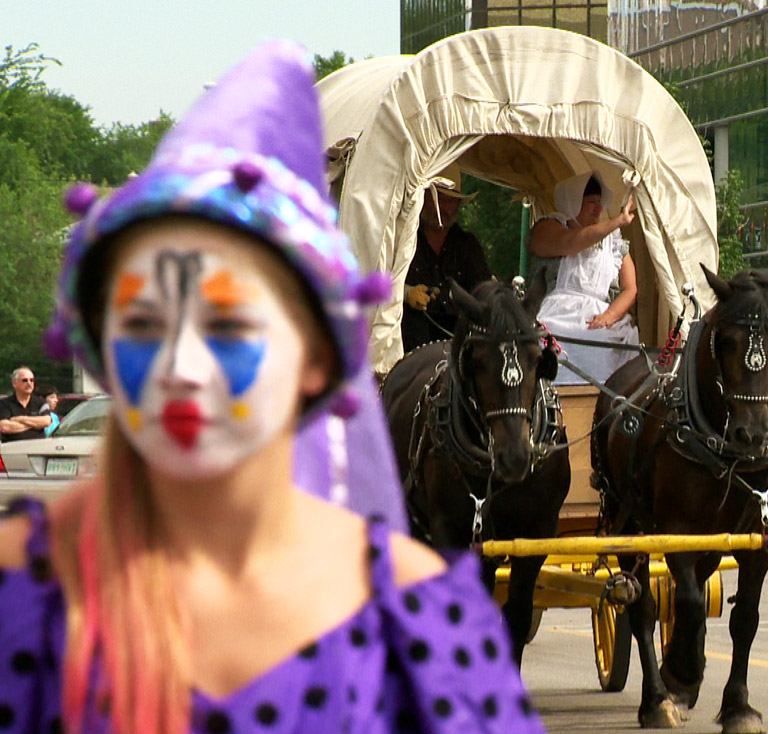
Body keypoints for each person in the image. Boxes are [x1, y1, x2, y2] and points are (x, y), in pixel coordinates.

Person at [0, 42, 543, 734]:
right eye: (143, 322)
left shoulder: (427, 623)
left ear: (315, 355)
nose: (181, 365)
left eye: (227, 324)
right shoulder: (20, 597)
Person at [528, 172, 638, 383]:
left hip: (597, 316)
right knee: (546, 340)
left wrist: (610, 315)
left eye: (600, 202)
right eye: (590, 202)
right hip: (558, 311)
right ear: (573, 200)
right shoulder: (550, 226)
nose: (598, 208)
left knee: (604, 344)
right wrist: (616, 221)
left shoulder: (613, 241)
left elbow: (630, 287)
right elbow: (571, 243)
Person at [401, 163, 492, 352]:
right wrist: (407, 293)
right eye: (437, 198)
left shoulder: (467, 245)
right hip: (410, 343)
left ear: (458, 205)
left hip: (460, 342)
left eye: (449, 201)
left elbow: (483, 292)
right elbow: (383, 282)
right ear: (422, 199)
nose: (442, 207)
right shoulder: (403, 240)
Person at [0, 366, 51, 441]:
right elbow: (5, 427)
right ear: (14, 383)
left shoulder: (41, 402)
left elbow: (46, 421)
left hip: (37, 448)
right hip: (12, 449)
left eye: (31, 380)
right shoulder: (4, 404)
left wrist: (20, 419)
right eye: (25, 380)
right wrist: (36, 424)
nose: (29, 383)